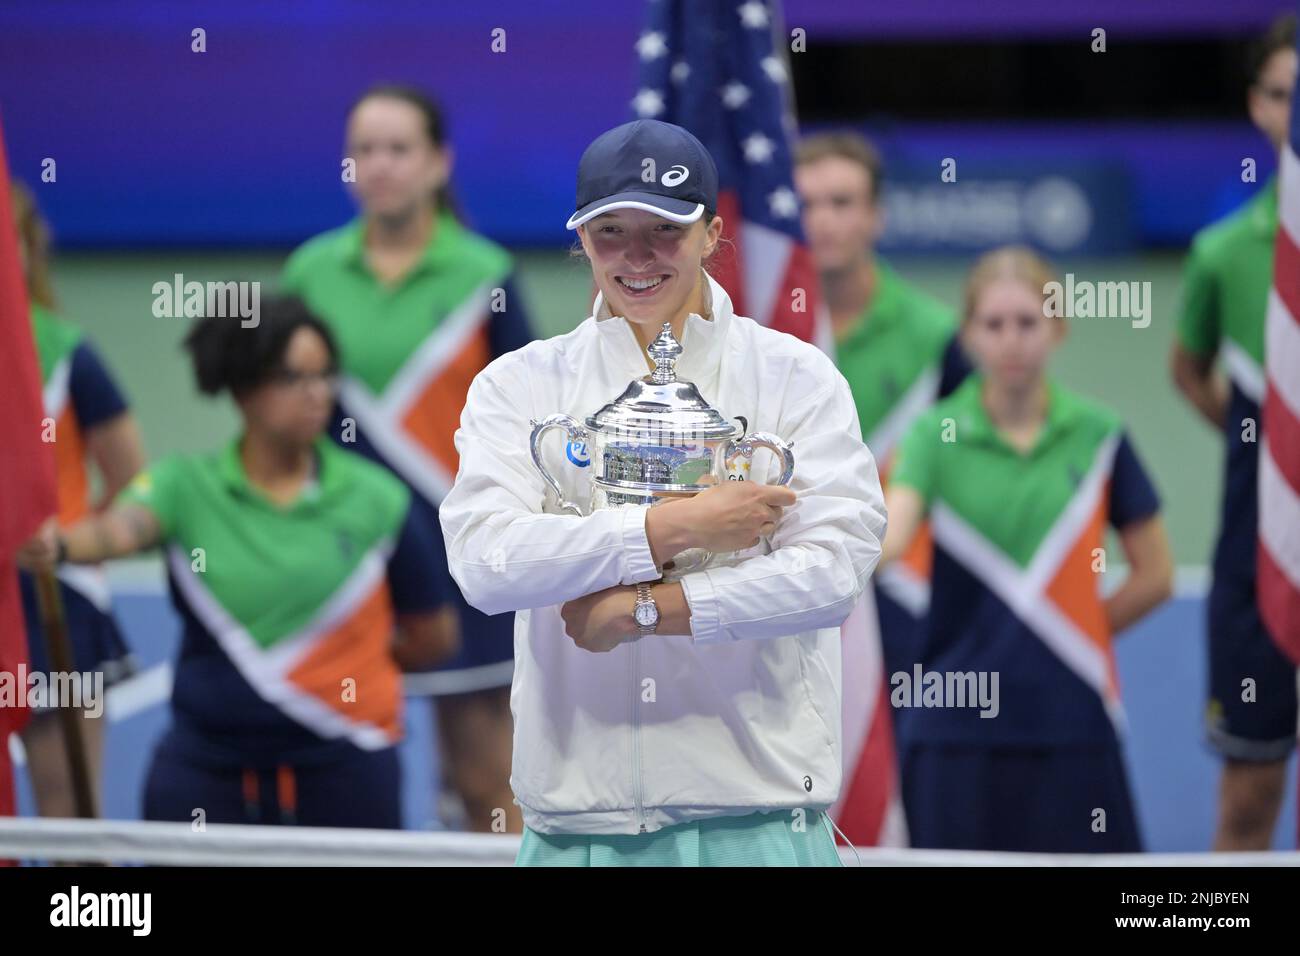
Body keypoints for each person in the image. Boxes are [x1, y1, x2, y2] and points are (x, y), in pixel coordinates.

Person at [439, 119, 887, 866]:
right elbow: (485, 566)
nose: (636, 257)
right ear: (579, 239)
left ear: (713, 234)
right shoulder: (517, 386)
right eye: (610, 231)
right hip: (574, 831)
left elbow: (835, 573)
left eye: (665, 231)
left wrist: (648, 610)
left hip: (757, 823)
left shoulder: (795, 377)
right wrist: (673, 530)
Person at [19, 298, 455, 828]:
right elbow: (120, 529)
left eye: (325, 375)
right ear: (244, 388)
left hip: (347, 764)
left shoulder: (378, 498)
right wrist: (60, 546)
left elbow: (433, 635)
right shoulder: (184, 485)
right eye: (294, 377)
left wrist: (339, 671)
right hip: (208, 770)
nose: (318, 394)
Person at [281, 84, 533, 832]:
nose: (379, 165)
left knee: (486, 777)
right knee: (341, 773)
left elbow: (527, 418)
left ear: (437, 163)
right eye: (363, 150)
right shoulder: (309, 273)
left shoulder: (484, 272)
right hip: (346, 554)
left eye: (399, 149)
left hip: (462, 554)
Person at [881, 247, 1172, 852]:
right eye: (993, 325)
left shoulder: (1099, 434)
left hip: (1073, 721)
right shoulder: (934, 435)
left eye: (1028, 322)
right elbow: (893, 536)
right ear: (968, 335)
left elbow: (1156, 576)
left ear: (1058, 328)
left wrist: (1073, 632)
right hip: (952, 728)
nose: (1011, 340)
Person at [795, 131, 971, 804]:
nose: (825, 221)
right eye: (808, 203)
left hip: (906, 610)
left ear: (877, 216)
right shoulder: (754, 331)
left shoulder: (936, 338)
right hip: (781, 603)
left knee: (904, 799)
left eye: (843, 202)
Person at [1170, 13, 1298, 852]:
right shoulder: (1221, 252)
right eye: (1287, 96)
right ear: (1258, 106)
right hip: (1259, 568)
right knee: (1248, 803)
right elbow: (1190, 371)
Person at [11, 180, 144, 818]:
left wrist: (70, 538)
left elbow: (129, 475)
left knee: (72, 821)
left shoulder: (63, 350)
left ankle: (90, 923)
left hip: (51, 596)